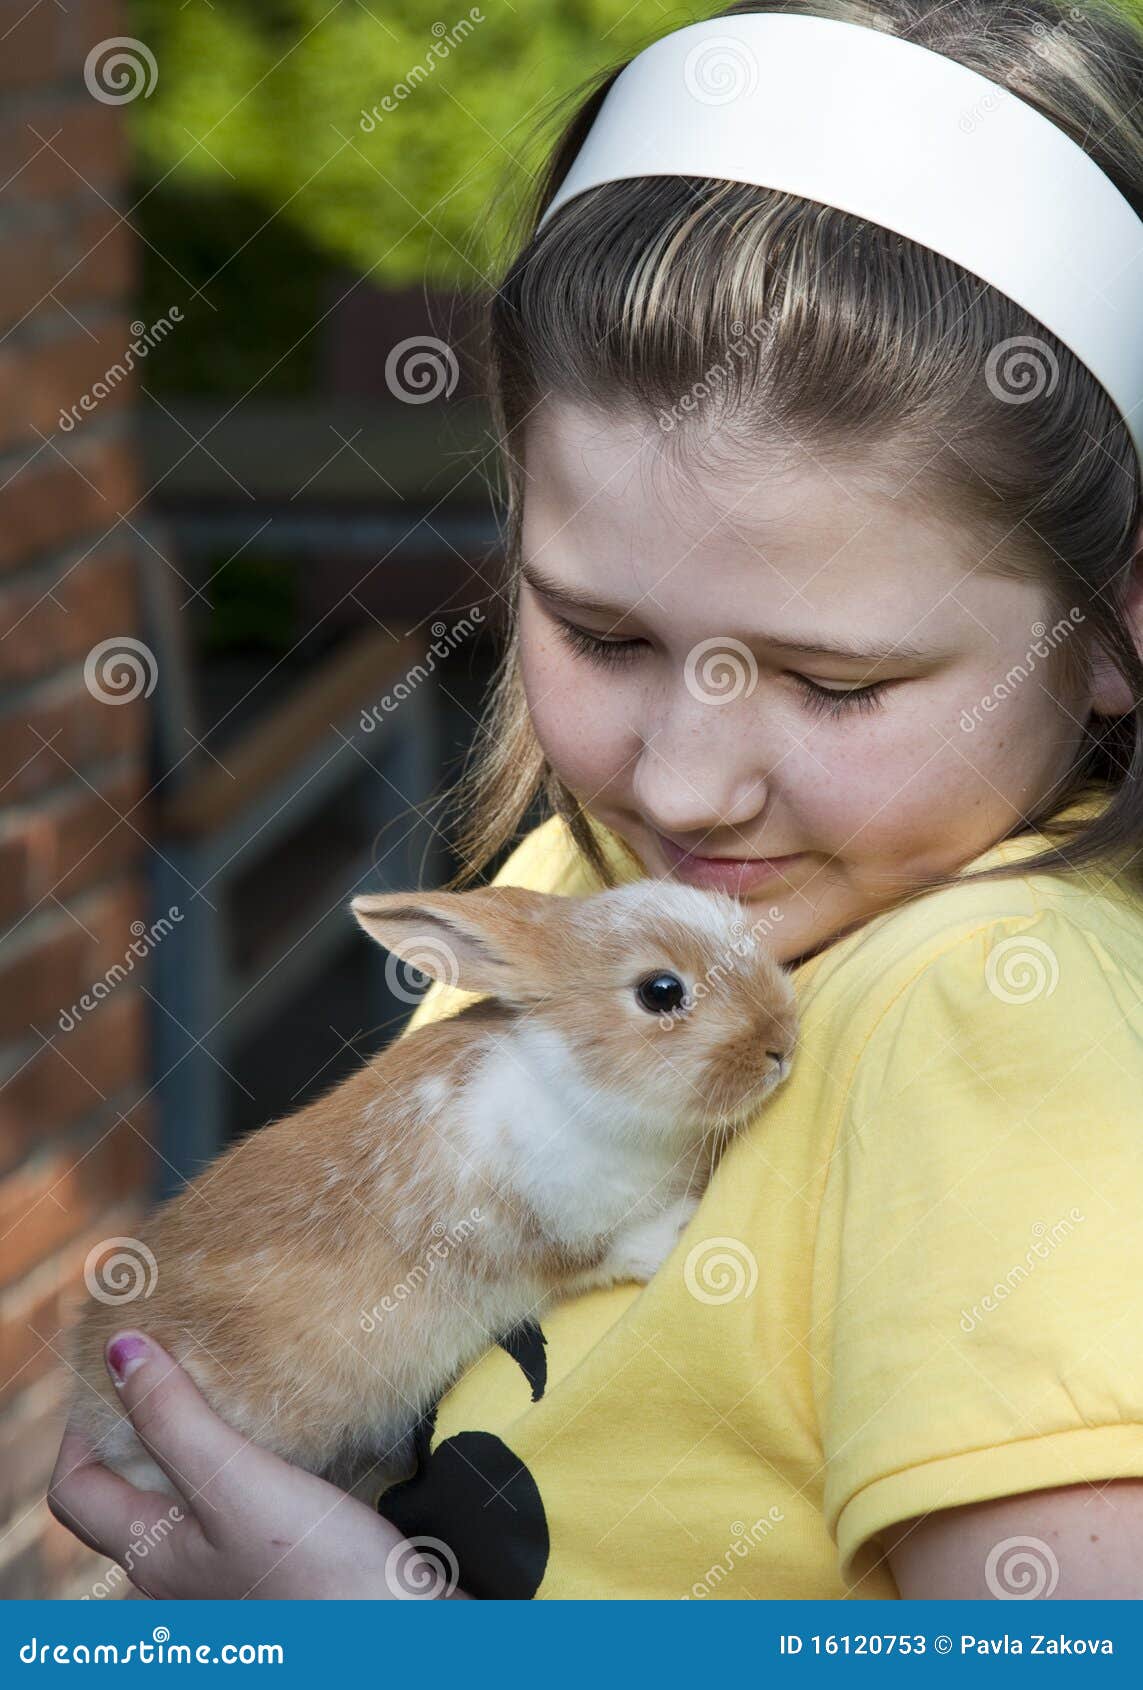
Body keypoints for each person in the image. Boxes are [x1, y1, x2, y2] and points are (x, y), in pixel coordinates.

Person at [51, 0, 1143, 1599]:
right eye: (602, 634)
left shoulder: (983, 1016)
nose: (685, 784)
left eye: (838, 684)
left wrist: (372, 1635)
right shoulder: (605, 884)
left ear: (1116, 623)